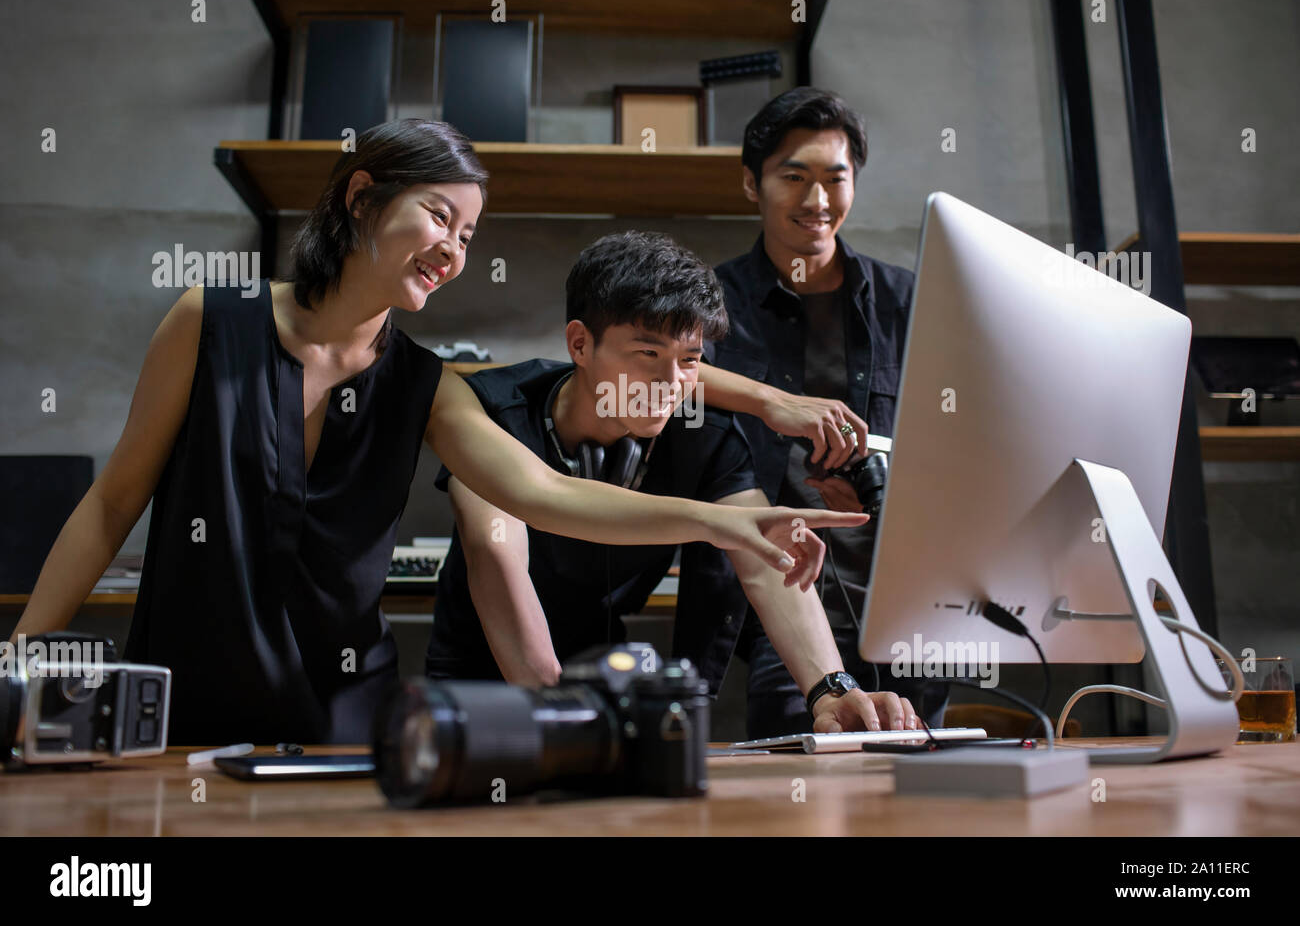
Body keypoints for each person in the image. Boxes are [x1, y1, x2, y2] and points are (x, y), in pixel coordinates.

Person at [9, 119, 866, 744]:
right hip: (185, 695)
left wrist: (721, 518)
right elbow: (114, 499)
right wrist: (21, 661)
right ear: (361, 196)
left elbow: (547, 493)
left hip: (346, 712)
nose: (453, 251)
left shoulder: (426, 384)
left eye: (468, 236)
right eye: (440, 219)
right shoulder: (211, 318)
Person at [424, 231, 922, 733]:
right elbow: (496, 560)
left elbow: (764, 561)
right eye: (647, 354)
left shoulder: (704, 435)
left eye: (689, 361)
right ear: (579, 343)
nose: (670, 385)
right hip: (478, 690)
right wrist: (566, 720)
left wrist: (830, 688)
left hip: (601, 683)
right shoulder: (496, 416)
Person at [689, 88, 950, 738]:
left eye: (835, 178)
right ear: (752, 184)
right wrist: (773, 402)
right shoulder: (711, 301)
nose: (817, 200)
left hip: (911, 609)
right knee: (804, 803)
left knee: (927, 802)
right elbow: (655, 372)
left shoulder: (906, 301)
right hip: (786, 610)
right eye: (793, 177)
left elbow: (957, 432)